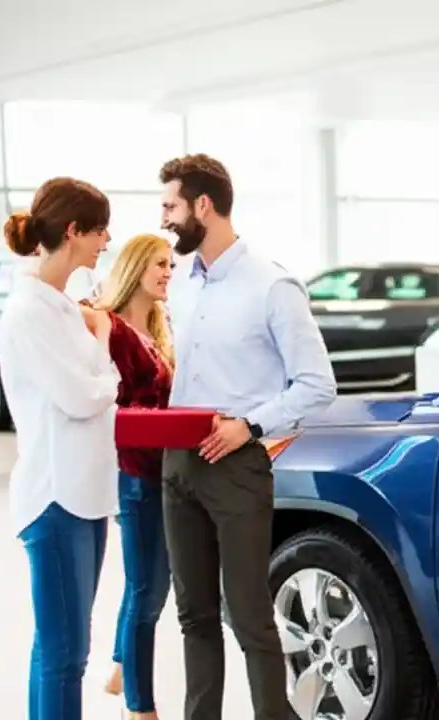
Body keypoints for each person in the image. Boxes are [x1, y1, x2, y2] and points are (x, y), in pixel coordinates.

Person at [158, 153, 338, 719]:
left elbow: (317, 384)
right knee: (194, 617)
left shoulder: (272, 284)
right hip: (177, 462)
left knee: (252, 618)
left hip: (236, 466)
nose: (163, 218)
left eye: (171, 205)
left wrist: (250, 427)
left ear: (202, 206)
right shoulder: (182, 282)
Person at [0, 177, 119, 719]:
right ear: (73, 231)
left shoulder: (63, 307)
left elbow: (96, 383)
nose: (106, 241)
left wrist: (101, 371)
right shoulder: (29, 311)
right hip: (55, 497)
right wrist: (105, 363)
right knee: (65, 655)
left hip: (86, 494)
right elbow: (82, 395)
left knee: (60, 649)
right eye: (99, 231)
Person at [87, 233, 176, 720]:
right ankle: (140, 707)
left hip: (162, 469)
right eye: (160, 264)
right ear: (136, 267)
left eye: (171, 266)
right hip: (133, 472)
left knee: (146, 585)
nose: (168, 273)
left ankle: (122, 667)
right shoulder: (113, 327)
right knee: (148, 590)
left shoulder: (159, 327)